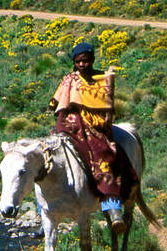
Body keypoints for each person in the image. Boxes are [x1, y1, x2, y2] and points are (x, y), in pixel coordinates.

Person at [49, 41, 128, 233]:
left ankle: (112, 207)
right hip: (73, 121)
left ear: (91, 59)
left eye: (85, 61)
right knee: (47, 155)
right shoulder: (70, 79)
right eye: (78, 62)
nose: (82, 65)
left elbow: (106, 103)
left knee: (103, 154)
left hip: (95, 125)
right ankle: (47, 212)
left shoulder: (102, 77)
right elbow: (59, 101)